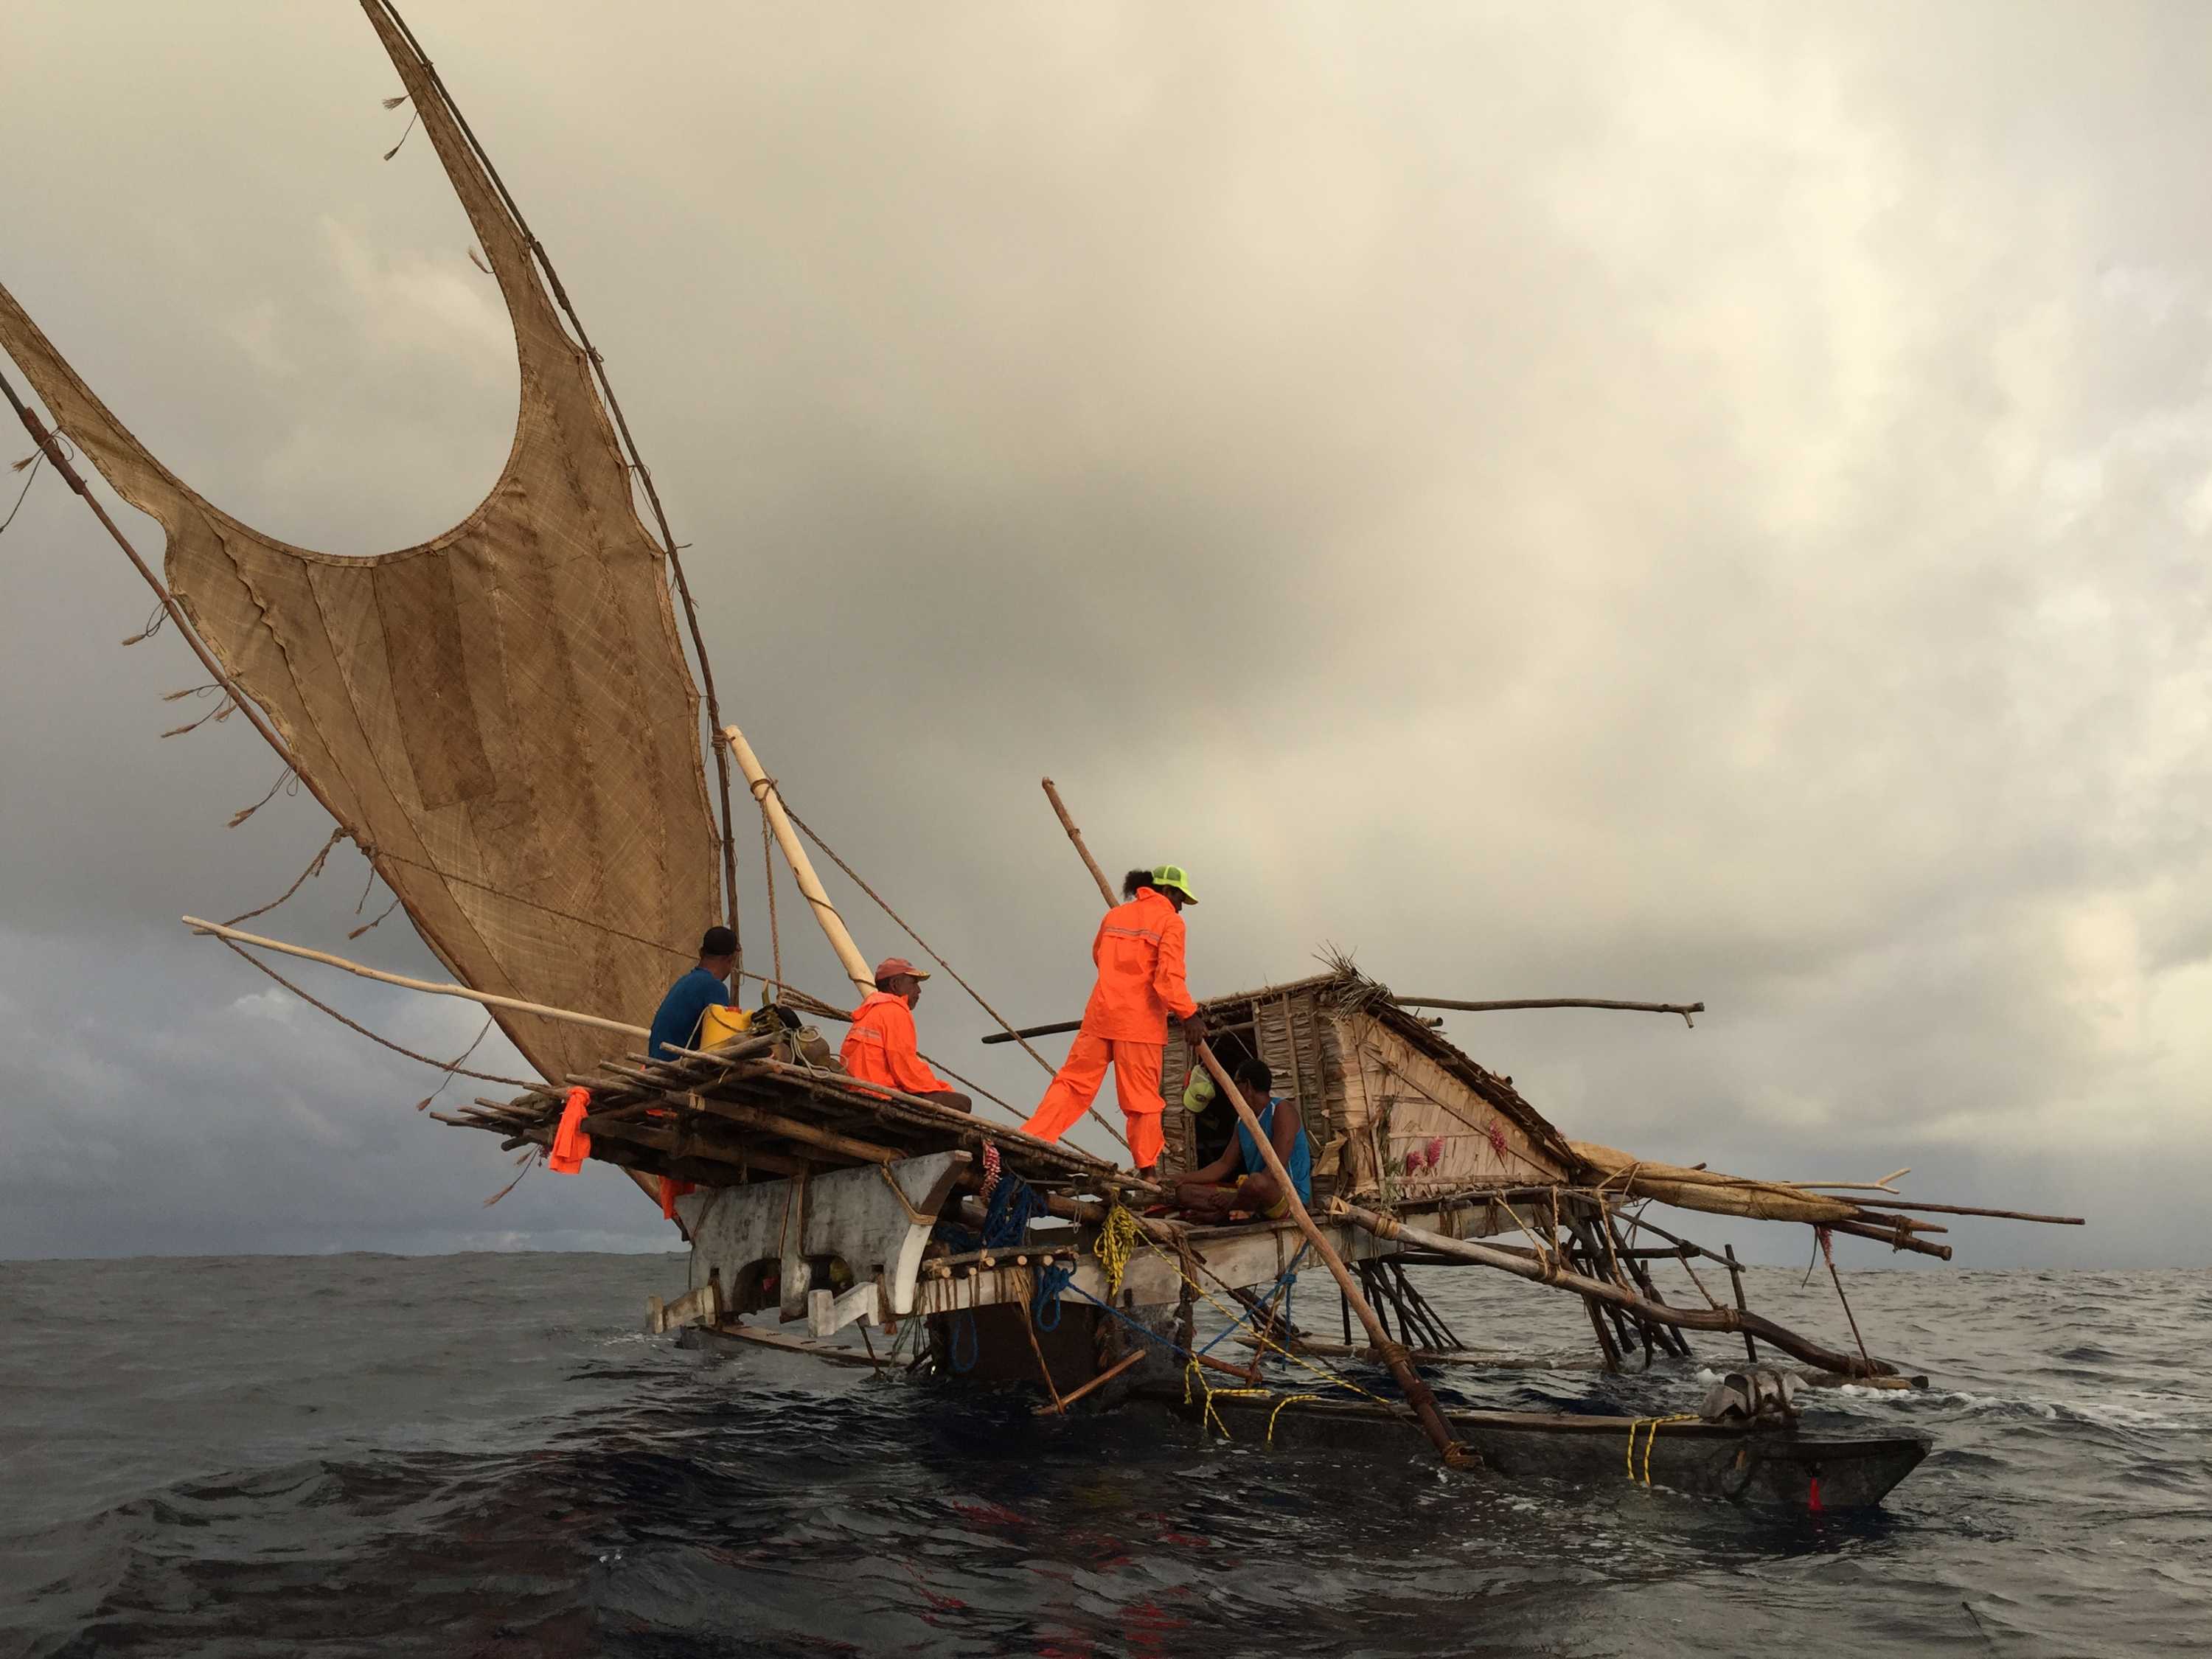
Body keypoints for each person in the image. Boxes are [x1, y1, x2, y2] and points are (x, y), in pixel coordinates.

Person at [1022, 864, 1207, 1178]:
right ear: (1168, 891)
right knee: (1143, 1100)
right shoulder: (1170, 921)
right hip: (1139, 1023)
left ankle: (1033, 1137)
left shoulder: (1115, 916)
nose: (1181, 907)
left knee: (1072, 1083)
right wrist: (1189, 1015)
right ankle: (1147, 1169)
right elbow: (1168, 979)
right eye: (1180, 899)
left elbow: (1099, 957)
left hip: (1101, 1014)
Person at [1169, 1057, 1310, 1221]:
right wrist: (1182, 1178)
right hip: (1252, 1197)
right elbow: (1224, 1164)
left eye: (1236, 1083)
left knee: (1257, 1182)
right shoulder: (1243, 1121)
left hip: (1286, 1198)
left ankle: (1221, 1215)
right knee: (1185, 1192)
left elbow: (1275, 1171)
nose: (1233, 1089)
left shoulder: (1281, 1110)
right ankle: (1239, 1210)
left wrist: (1236, 1197)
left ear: (1248, 1086)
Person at [841, 956, 973, 1112]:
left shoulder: (869, 1011)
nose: (919, 990)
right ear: (895, 985)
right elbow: (907, 1072)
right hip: (881, 1093)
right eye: (914, 983)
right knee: (963, 1103)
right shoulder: (895, 1010)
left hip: (859, 1089)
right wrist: (941, 1089)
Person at [647, 925, 738, 1060]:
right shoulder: (714, 988)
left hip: (657, 1061)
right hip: (675, 1067)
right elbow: (721, 1041)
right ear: (730, 959)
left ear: (701, 953)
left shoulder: (685, 982)